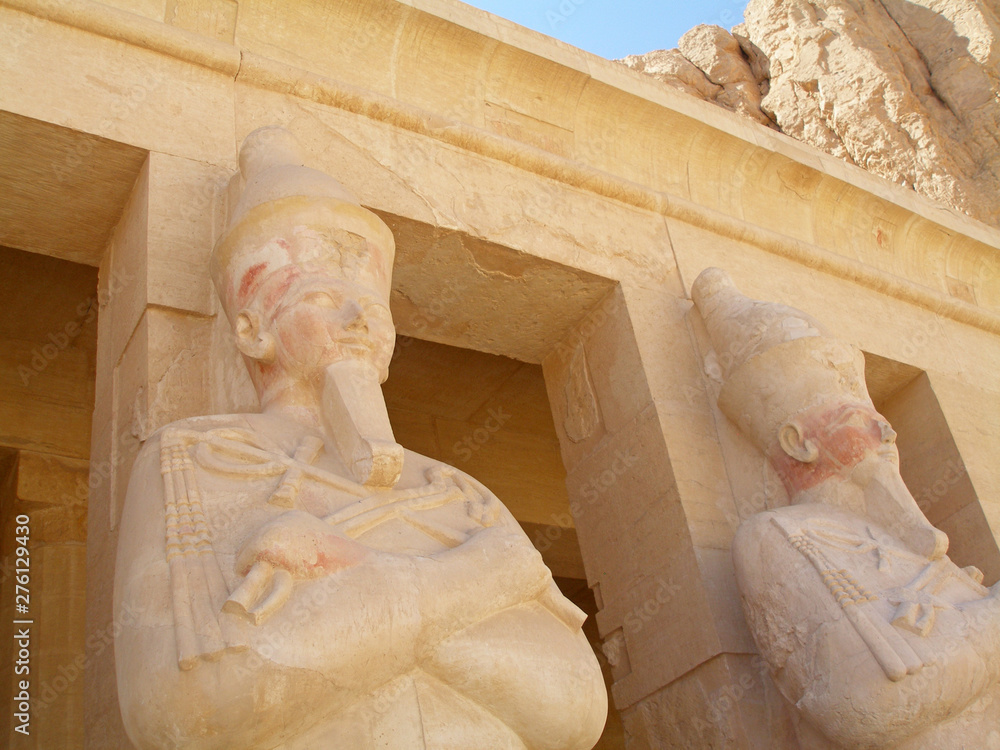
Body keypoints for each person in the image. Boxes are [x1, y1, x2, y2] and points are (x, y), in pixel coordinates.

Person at [114, 126, 607, 749]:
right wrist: (475, 581)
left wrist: (349, 582)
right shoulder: (193, 459)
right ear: (251, 332)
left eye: (374, 306)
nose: (359, 320)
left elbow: (573, 707)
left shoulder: (457, 490)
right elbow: (188, 709)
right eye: (322, 296)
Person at [692, 268, 1000, 750]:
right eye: (860, 421)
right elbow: (867, 705)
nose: (888, 433)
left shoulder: (911, 550)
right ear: (799, 443)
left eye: (883, 421)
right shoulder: (776, 536)